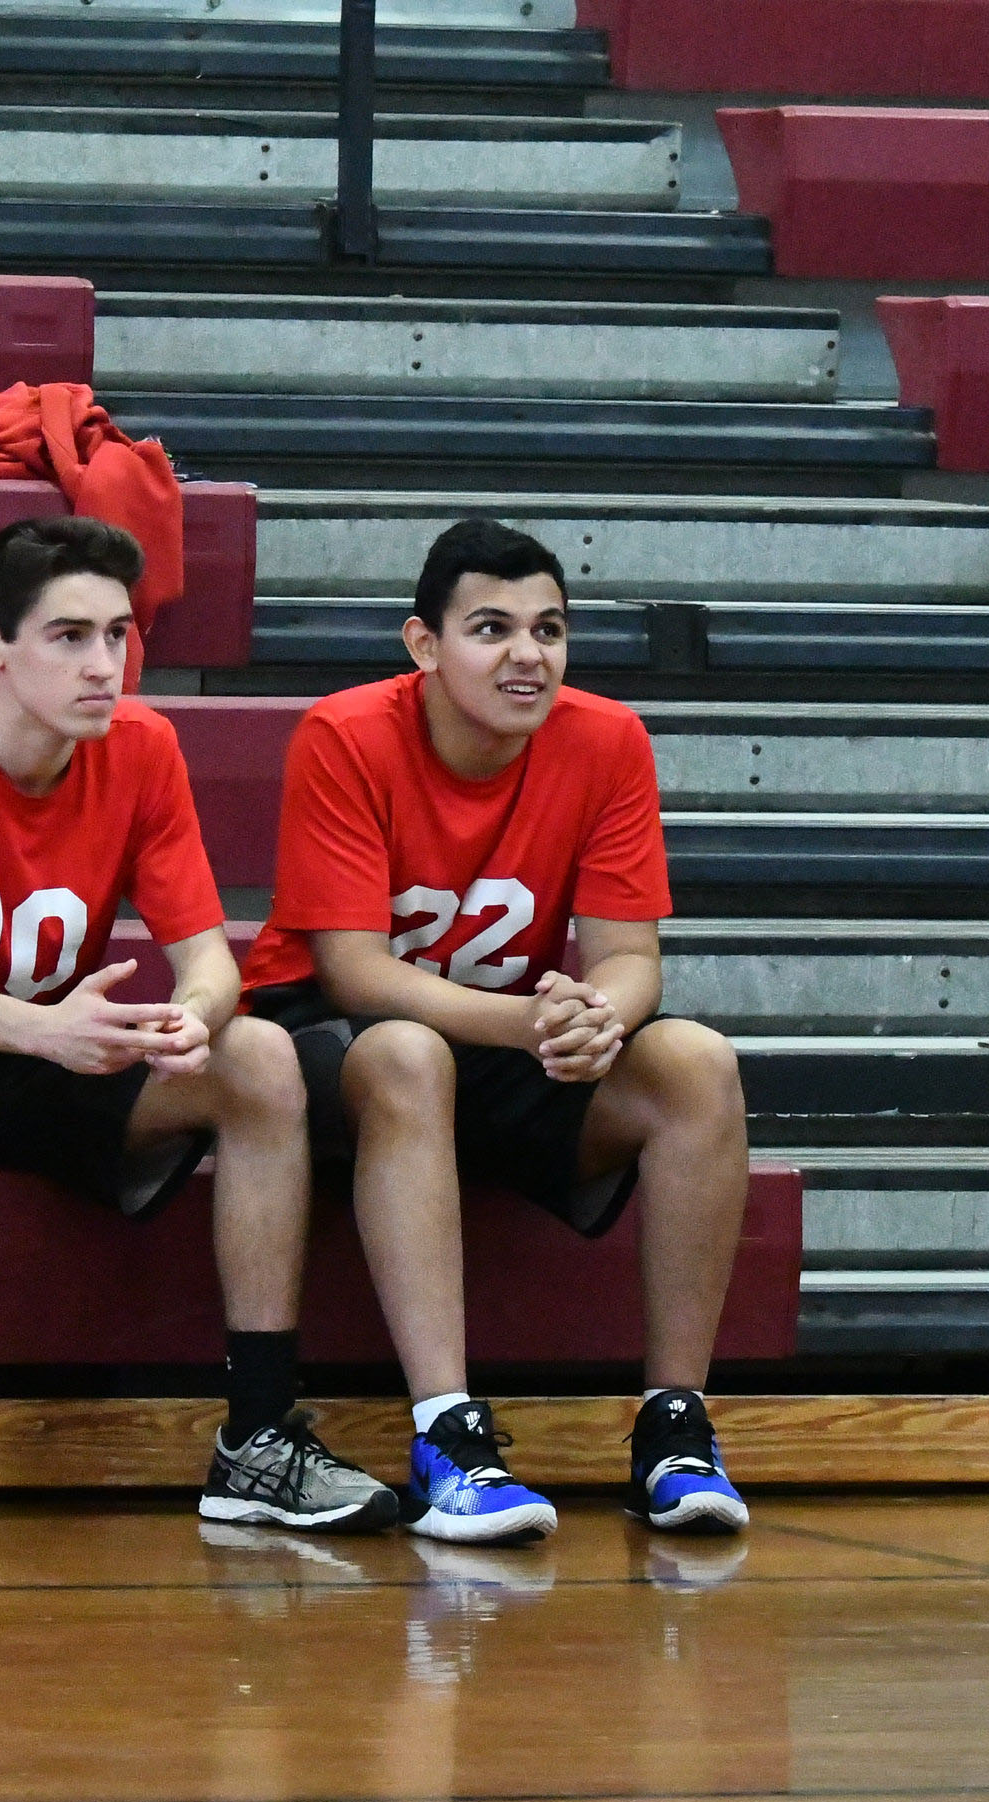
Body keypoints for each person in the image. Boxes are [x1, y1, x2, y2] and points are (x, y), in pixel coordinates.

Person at [0, 515, 392, 1541]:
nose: (107, 665)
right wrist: (40, 1030)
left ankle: (260, 1438)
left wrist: (192, 1020)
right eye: (69, 637)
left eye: (119, 634)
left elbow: (212, 963)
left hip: (53, 1055)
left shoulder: (143, 747)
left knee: (262, 1055)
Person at [244, 517, 751, 1545]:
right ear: (423, 645)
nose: (529, 654)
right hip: (334, 1038)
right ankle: (449, 1437)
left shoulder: (607, 738)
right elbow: (352, 970)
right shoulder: (344, 733)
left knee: (696, 1062)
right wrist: (529, 1020)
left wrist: (596, 1017)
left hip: (511, 1035)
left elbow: (629, 953)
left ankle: (676, 1427)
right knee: (406, 1050)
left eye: (549, 629)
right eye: (492, 628)